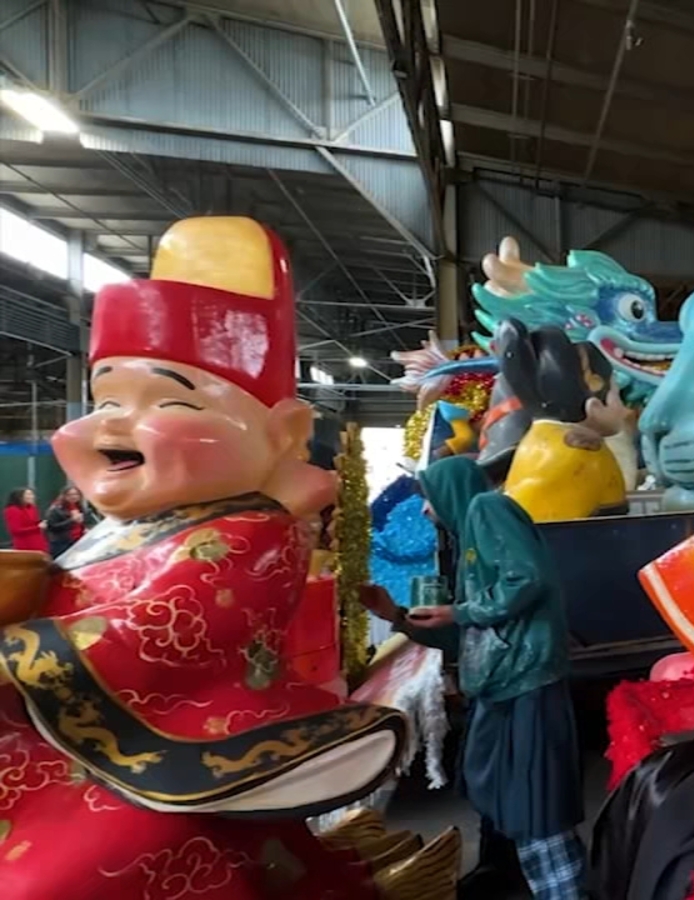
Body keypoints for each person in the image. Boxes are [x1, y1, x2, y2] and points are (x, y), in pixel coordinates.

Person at [0, 216, 436, 899]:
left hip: (178, 738)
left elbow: (168, 631)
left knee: (55, 878)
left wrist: (20, 644)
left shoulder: (249, 532)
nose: (111, 423)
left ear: (281, 433)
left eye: (168, 401)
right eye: (106, 398)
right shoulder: (122, 527)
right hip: (68, 738)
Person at [371, 455, 586, 899]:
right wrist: (394, 616)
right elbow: (467, 637)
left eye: (428, 500)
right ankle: (507, 875)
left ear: (450, 491)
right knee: (498, 786)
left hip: (526, 680)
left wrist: (459, 610)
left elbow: (527, 577)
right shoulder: (469, 537)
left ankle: (565, 890)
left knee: (532, 796)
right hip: (503, 684)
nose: (427, 512)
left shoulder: (487, 508)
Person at [43, 485, 96, 558]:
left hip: (78, 541)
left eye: (76, 494)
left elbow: (84, 523)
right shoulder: (56, 509)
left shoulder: (80, 507)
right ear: (64, 496)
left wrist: (85, 528)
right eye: (70, 494)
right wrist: (72, 520)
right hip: (62, 543)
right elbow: (52, 527)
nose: (73, 496)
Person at [3, 487, 47, 553]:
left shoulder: (32, 508)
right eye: (28, 494)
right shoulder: (12, 510)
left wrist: (40, 523)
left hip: (38, 542)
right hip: (25, 544)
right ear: (19, 496)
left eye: (32, 494)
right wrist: (37, 527)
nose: (32, 496)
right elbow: (15, 530)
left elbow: (31, 522)